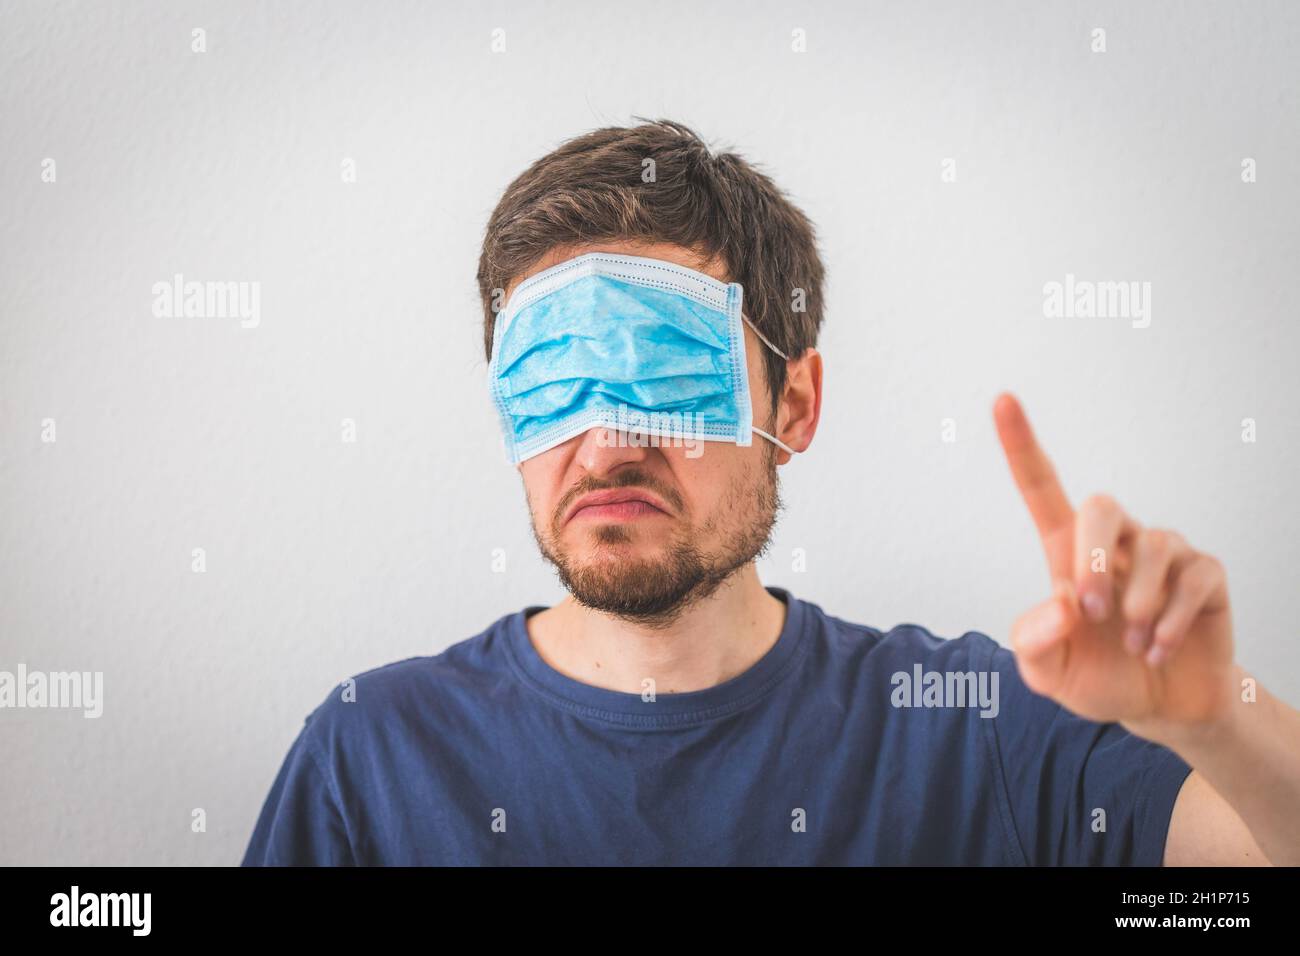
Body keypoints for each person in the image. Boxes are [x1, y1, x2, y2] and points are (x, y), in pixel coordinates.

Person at [242, 119, 1297, 866]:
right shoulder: (368, 756)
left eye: (665, 374)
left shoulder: (979, 728)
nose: (606, 441)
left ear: (791, 404)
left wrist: (1215, 721)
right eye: (551, 379)